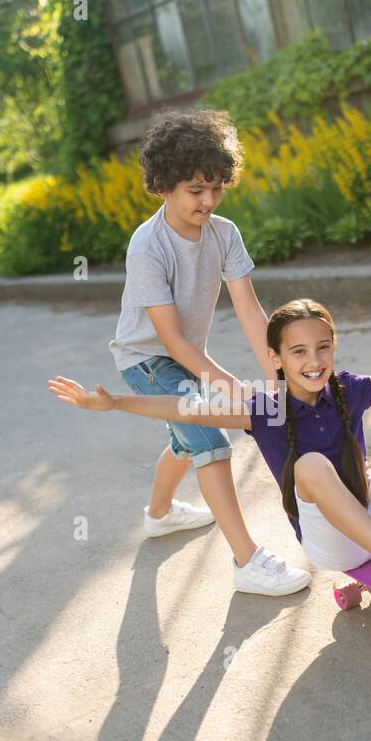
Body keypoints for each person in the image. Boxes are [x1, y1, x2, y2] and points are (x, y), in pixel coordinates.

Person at [53, 298, 371, 635]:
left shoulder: (350, 390)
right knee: (311, 464)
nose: (313, 360)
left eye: (322, 347)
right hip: (330, 541)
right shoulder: (264, 407)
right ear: (275, 358)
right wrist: (115, 402)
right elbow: (185, 408)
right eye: (298, 352)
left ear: (334, 347)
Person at [107, 106, 309, 596]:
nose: (209, 200)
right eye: (196, 190)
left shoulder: (224, 233)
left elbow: (249, 311)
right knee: (211, 439)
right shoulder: (147, 245)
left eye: (217, 187)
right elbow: (172, 341)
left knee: (186, 436)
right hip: (147, 361)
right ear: (163, 185)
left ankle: (158, 515)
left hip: (183, 356)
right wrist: (229, 386)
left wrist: (282, 375)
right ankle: (247, 561)